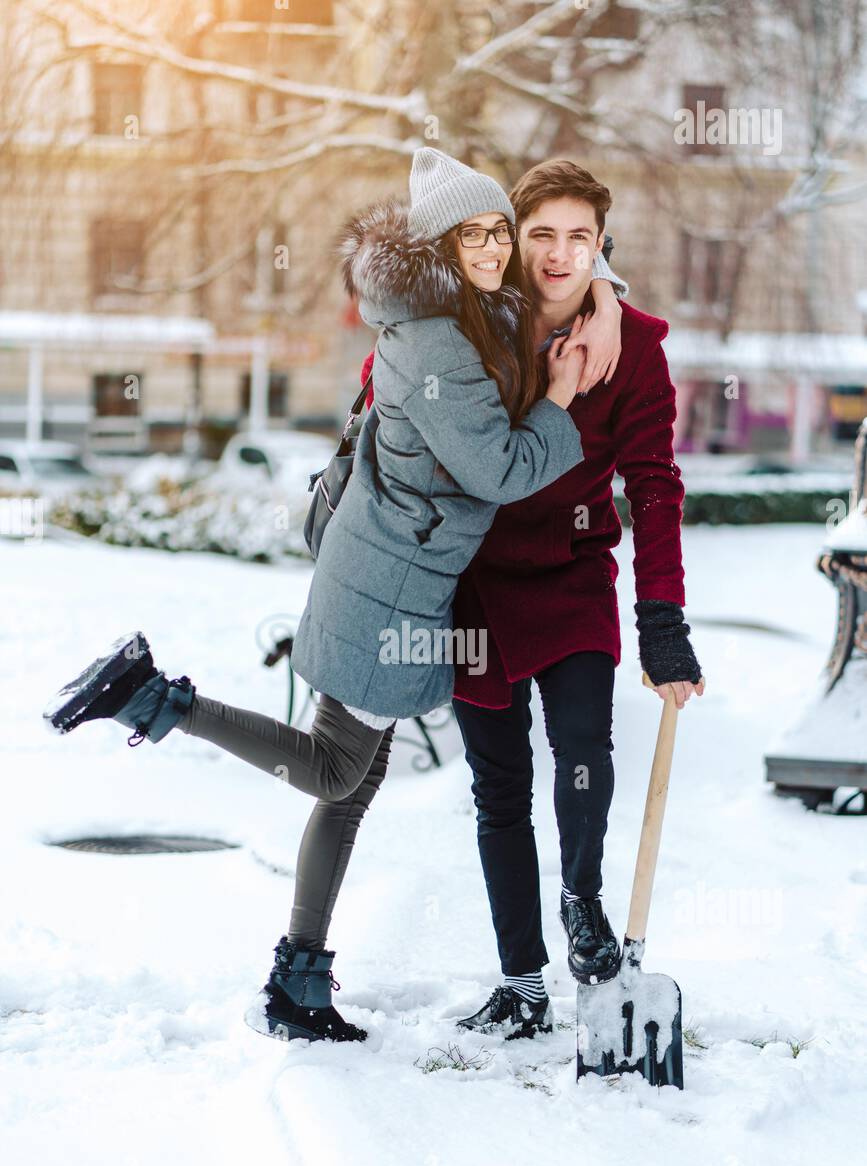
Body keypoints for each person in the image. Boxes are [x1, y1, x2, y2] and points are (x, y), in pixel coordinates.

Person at [43, 148, 595, 1047]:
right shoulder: (438, 345)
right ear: (439, 246)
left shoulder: (448, 319)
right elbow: (496, 468)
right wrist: (561, 399)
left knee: (353, 780)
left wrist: (593, 304)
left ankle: (298, 979)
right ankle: (152, 698)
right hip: (393, 583)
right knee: (339, 769)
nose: (495, 248)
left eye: (500, 229)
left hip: (379, 566)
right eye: (474, 233)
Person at [448, 160, 705, 1041]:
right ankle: (521, 983)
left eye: (579, 238)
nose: (559, 255)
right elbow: (390, 388)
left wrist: (660, 622)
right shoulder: (468, 329)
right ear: (516, 240)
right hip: (474, 587)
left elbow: (655, 483)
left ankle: (581, 898)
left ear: (601, 248)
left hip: (572, 575)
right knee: (498, 788)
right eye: (542, 234)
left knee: (583, 749)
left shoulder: (631, 345)